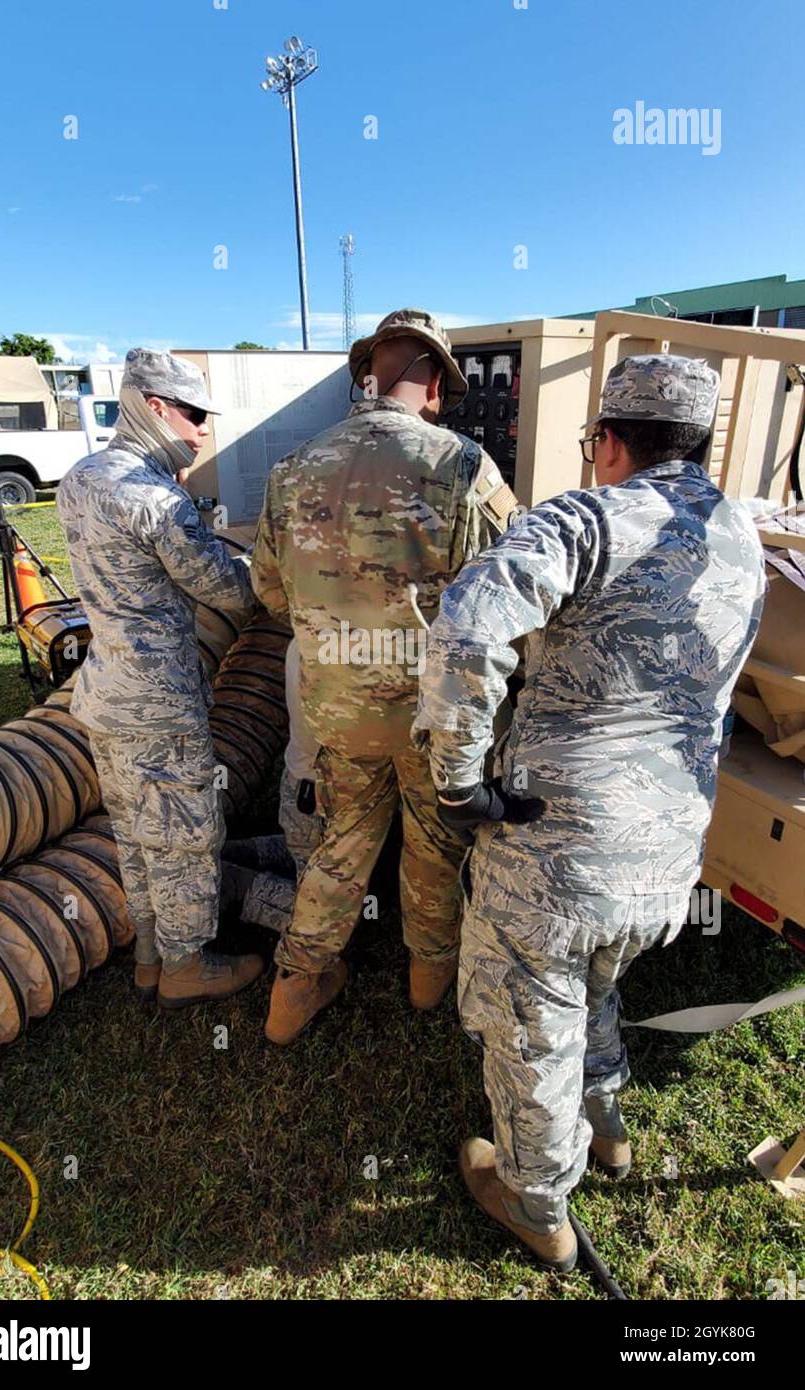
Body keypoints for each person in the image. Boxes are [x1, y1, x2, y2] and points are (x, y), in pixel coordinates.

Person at [414, 354, 767, 1271]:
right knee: (595, 982)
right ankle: (608, 1130)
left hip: (557, 853)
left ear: (608, 441)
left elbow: (465, 628)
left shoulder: (583, 518)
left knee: (533, 1021)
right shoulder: (743, 540)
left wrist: (457, 781)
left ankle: (535, 1203)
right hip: (665, 857)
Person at [251, 308, 519, 1045]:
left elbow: (271, 591)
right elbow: (504, 600)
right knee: (434, 850)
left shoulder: (292, 469)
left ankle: (295, 989)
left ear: (371, 370)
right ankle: (428, 983)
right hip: (431, 718)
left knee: (341, 848)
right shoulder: (463, 467)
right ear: (430, 378)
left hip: (337, 708)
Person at [57, 348, 263, 1010]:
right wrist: (275, 573)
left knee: (136, 832)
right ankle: (186, 965)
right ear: (153, 407)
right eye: (194, 415)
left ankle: (147, 955)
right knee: (185, 835)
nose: (202, 431)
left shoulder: (81, 477)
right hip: (159, 705)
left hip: (104, 695)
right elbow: (224, 589)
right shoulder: (152, 497)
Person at [219, 639, 323, 935]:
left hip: (306, 791)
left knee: (307, 844)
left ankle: (238, 859)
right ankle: (238, 883)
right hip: (323, 793)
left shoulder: (304, 642)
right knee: (327, 910)